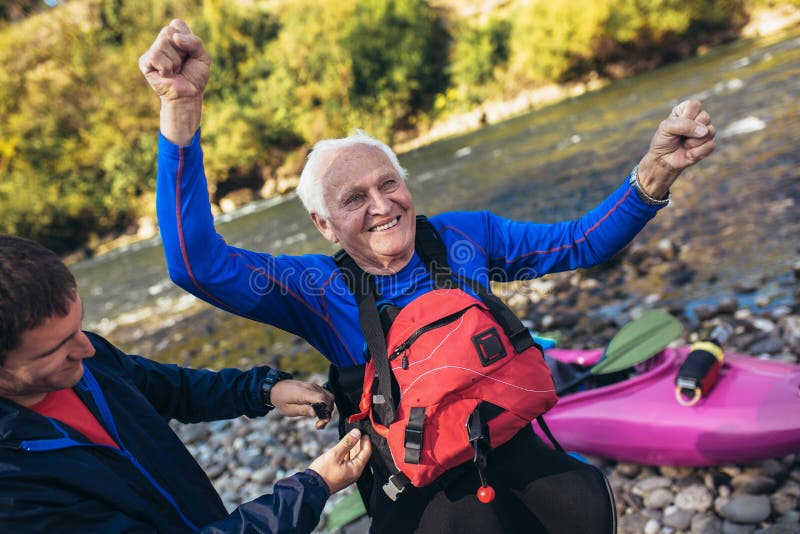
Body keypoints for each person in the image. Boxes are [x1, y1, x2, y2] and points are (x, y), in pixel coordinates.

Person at [140, 19, 715, 533]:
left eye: (389, 184)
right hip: (424, 497)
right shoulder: (317, 290)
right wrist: (181, 112)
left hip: (521, 460)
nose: (382, 205)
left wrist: (655, 171)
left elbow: (579, 242)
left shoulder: (466, 237)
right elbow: (195, 263)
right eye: (354, 198)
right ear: (324, 225)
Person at [0, 234, 372, 532]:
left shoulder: (86, 359)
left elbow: (170, 388)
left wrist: (263, 390)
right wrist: (312, 486)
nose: (85, 348)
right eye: (57, 347)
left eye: (80, 326)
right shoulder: (13, 492)